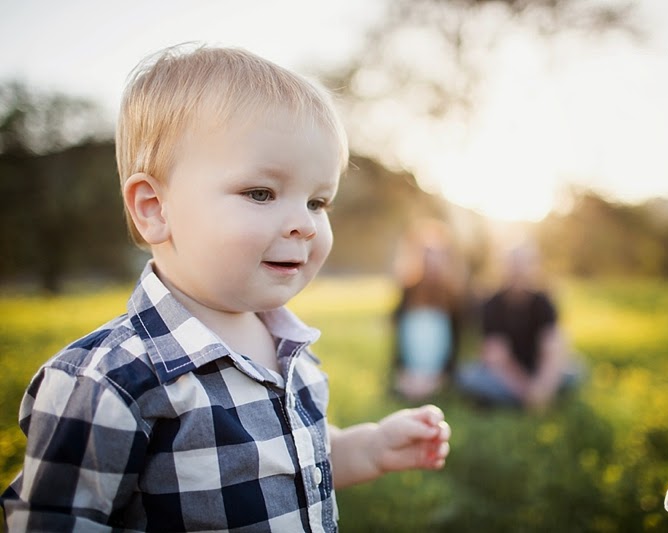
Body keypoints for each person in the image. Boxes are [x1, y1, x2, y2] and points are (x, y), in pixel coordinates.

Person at [1, 44, 450, 532]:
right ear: (154, 207)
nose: (303, 223)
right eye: (261, 193)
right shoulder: (110, 381)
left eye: (319, 202)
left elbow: (291, 463)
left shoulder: (291, 350)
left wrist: (370, 447)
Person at [457, 242, 579, 410]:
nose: (518, 271)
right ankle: (528, 400)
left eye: (524, 264)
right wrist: (527, 392)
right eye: (513, 265)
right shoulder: (491, 304)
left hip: (537, 369)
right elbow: (495, 355)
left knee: (576, 372)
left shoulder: (544, 302)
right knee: (469, 377)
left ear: (534, 267)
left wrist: (542, 388)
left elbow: (553, 346)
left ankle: (524, 400)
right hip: (505, 374)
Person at [390, 219, 465, 401]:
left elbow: (457, 344)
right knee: (408, 388)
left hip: (440, 372)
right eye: (427, 255)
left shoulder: (454, 296)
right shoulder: (408, 291)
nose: (432, 262)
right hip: (411, 369)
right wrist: (403, 372)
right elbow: (398, 341)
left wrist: (443, 375)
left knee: (426, 390)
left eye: (437, 255)